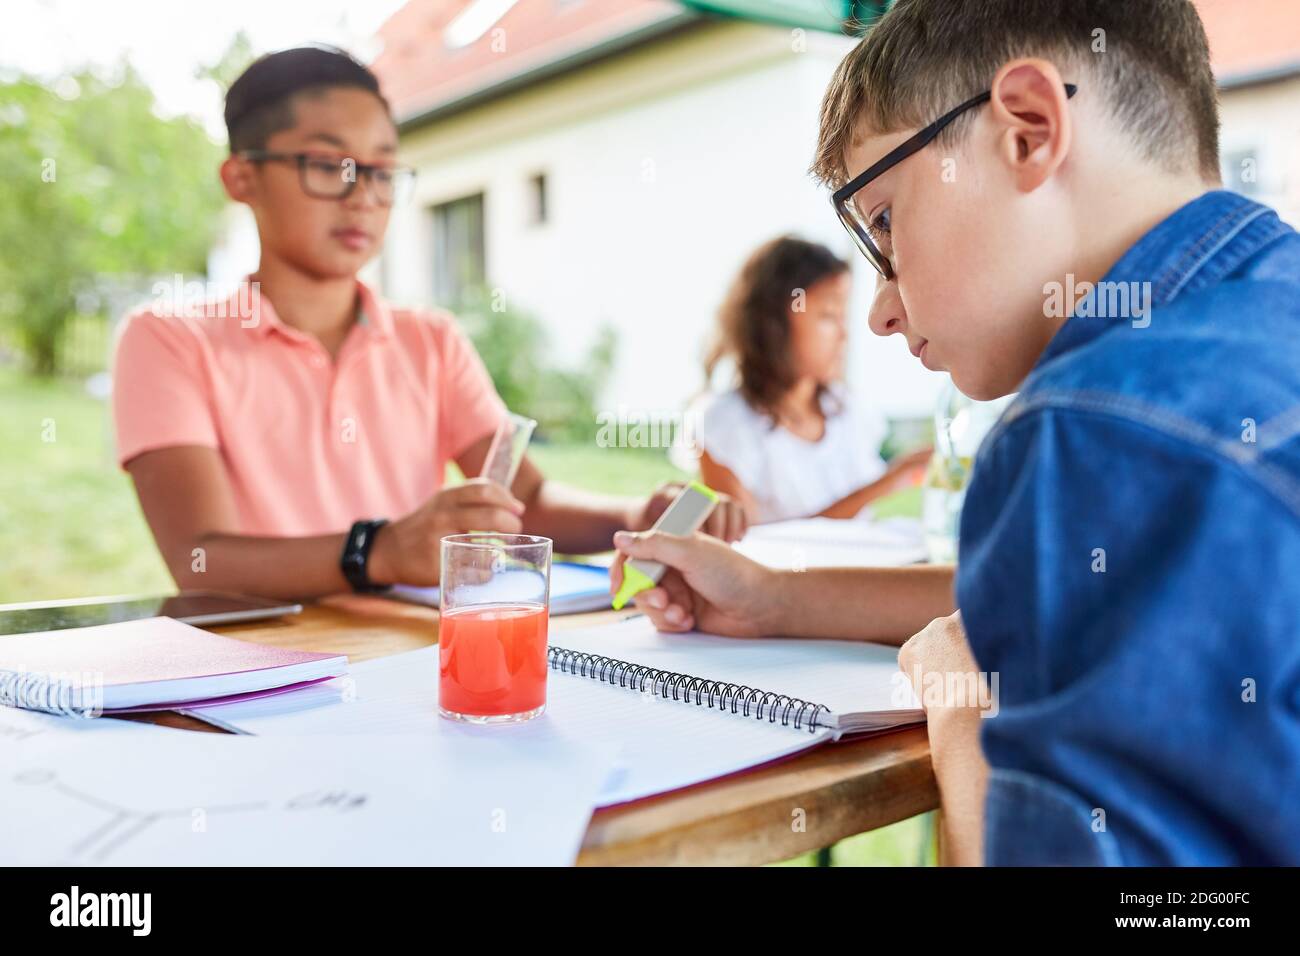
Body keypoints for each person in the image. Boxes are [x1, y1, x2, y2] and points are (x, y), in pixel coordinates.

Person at [612, 0, 1300, 865]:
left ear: (1028, 129)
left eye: (887, 224)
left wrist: (960, 700)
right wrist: (774, 599)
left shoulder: (1098, 428)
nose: (881, 311)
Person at [112, 46, 745, 601]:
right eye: (329, 165)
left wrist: (640, 513)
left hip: (411, 658)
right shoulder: (170, 340)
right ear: (241, 177)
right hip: (257, 675)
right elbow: (201, 559)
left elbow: (524, 503)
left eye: (383, 171)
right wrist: (381, 549)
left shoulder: (430, 340)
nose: (364, 194)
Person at [693, 236, 928, 523]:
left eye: (844, 317)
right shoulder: (726, 422)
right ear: (774, 322)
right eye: (828, 316)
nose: (844, 335)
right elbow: (748, 549)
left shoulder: (846, 410)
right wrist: (890, 479)